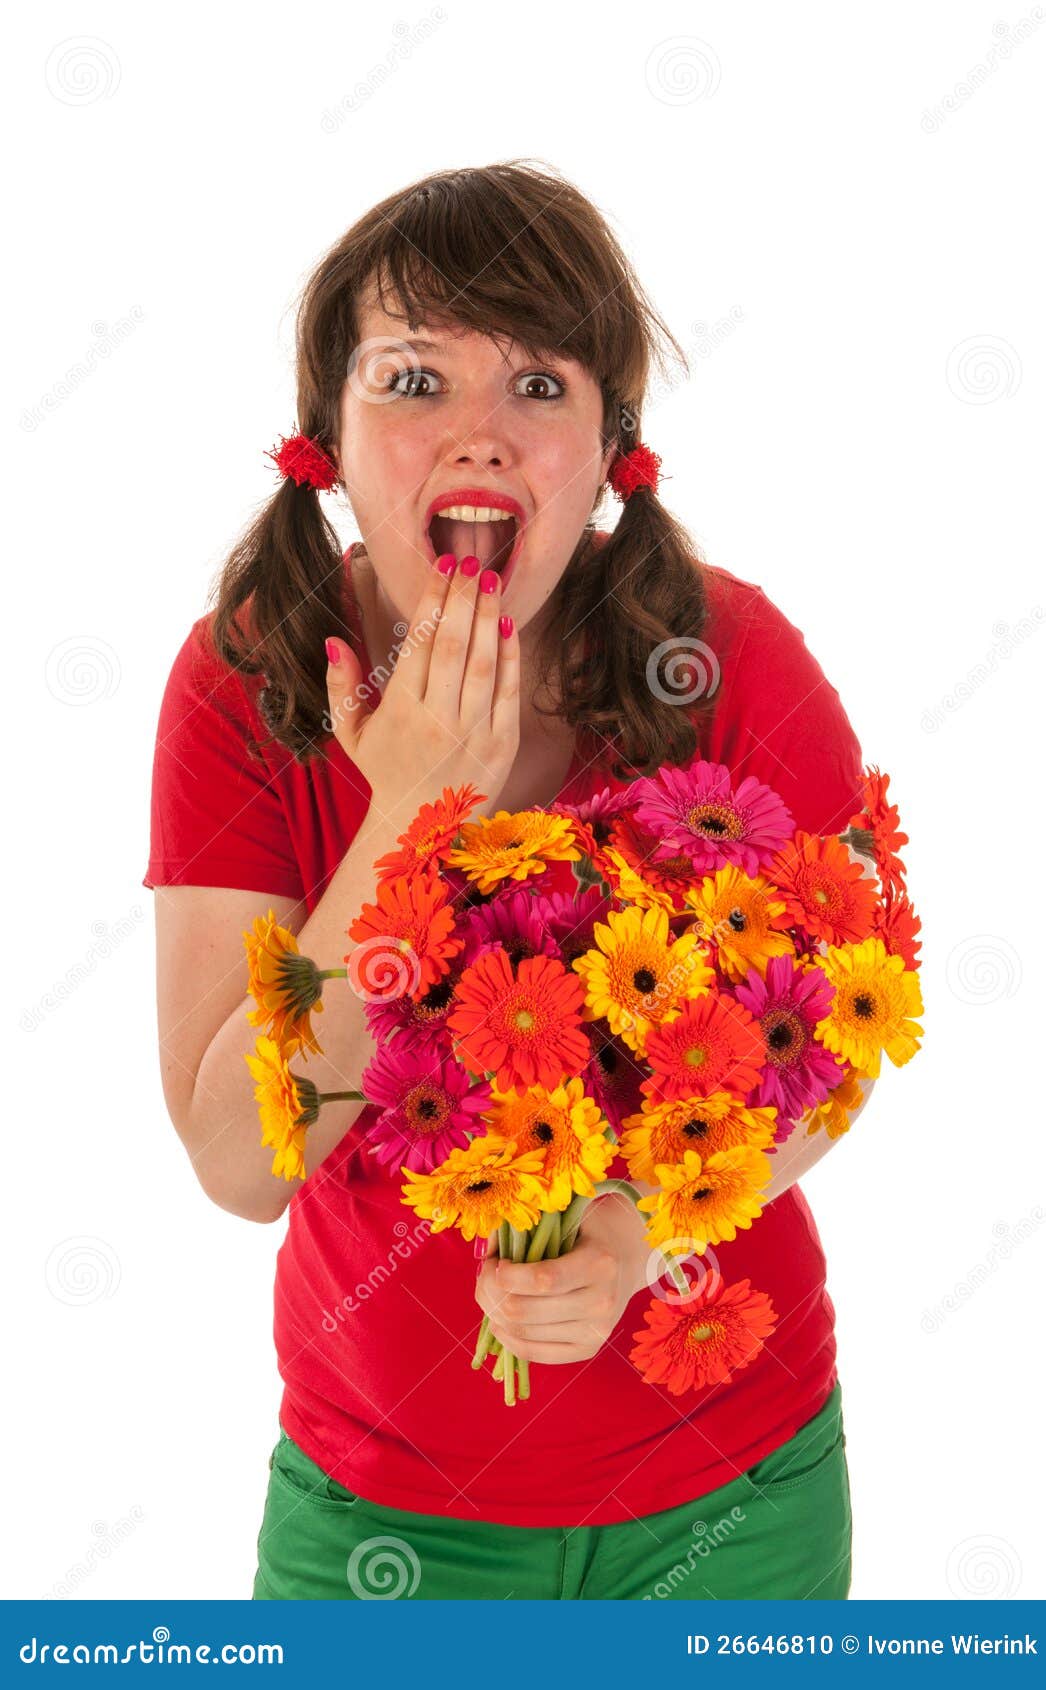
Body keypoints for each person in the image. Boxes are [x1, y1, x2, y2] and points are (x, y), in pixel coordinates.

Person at [144, 161, 869, 1601]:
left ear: (611, 450)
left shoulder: (724, 656)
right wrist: (411, 820)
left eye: (540, 384)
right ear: (327, 442)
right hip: (382, 1514)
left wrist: (639, 1222)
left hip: (739, 1493)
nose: (479, 433)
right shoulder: (245, 681)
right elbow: (238, 1162)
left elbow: (837, 1040)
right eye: (414, 379)